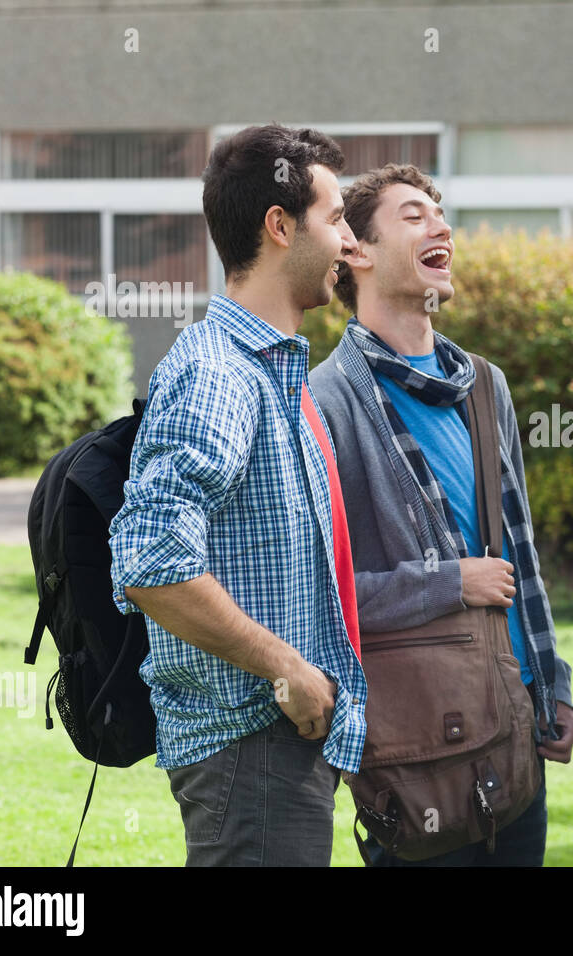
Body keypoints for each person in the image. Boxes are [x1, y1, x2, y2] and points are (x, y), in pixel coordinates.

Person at [109, 124, 368, 866]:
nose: (350, 241)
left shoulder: (271, 371)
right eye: (336, 218)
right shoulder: (220, 374)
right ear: (280, 226)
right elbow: (150, 559)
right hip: (248, 754)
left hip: (272, 754)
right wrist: (286, 666)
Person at [309, 163, 573, 866]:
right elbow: (315, 596)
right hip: (414, 752)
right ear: (356, 252)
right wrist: (447, 582)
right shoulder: (325, 403)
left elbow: (518, 558)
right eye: (413, 215)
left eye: (440, 212)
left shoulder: (485, 386)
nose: (441, 226)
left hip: (518, 734)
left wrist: (554, 685)